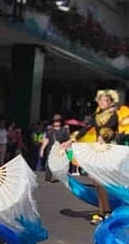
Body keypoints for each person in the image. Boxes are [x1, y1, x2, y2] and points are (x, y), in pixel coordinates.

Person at [67, 89, 119, 225]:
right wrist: (73, 138)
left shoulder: (113, 114)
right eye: (100, 100)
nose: (101, 102)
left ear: (110, 103)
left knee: (101, 181)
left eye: (104, 100)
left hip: (107, 148)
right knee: (96, 181)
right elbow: (87, 127)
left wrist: (103, 136)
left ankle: (107, 211)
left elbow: (109, 128)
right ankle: (102, 212)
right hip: (97, 147)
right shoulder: (97, 115)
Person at [39, 114, 70, 182]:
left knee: (61, 164)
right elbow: (46, 140)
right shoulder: (50, 131)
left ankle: (62, 176)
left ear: (61, 122)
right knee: (49, 163)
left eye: (58, 121)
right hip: (51, 150)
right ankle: (47, 178)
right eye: (55, 121)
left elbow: (68, 140)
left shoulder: (64, 131)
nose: (56, 122)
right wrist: (42, 149)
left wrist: (66, 146)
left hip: (61, 150)